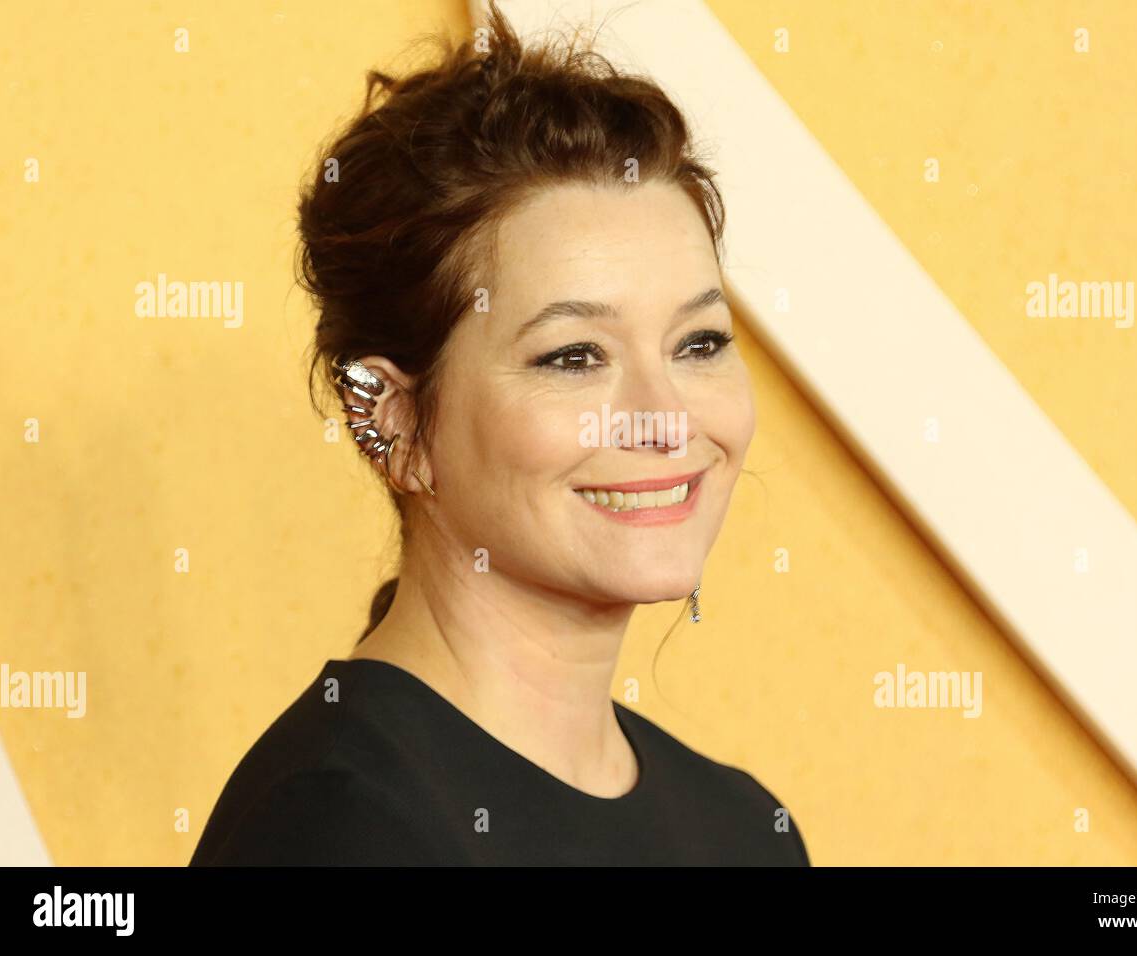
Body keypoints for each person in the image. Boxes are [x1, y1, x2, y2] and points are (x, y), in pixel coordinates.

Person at [190, 0, 809, 866]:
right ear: (395, 421)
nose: (668, 419)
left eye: (698, 343)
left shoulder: (745, 830)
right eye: (572, 357)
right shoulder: (337, 826)